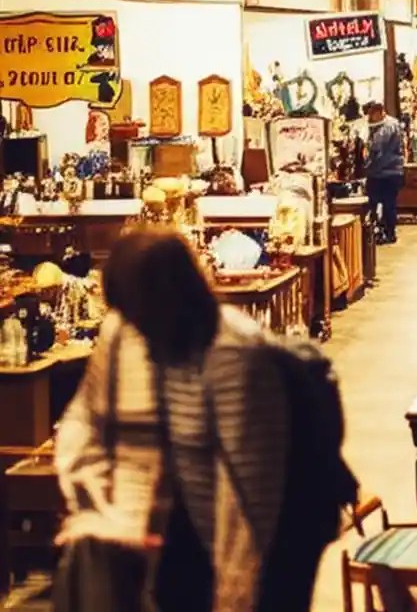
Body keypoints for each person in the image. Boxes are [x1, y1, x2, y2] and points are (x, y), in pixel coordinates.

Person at [54, 229, 304, 611]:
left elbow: (252, 491)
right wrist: (97, 507)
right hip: (144, 538)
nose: (134, 326)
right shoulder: (125, 331)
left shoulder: (234, 354)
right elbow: (84, 421)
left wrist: (235, 590)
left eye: (138, 313)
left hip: (216, 546)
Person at [365, 101, 405, 244]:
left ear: (379, 113)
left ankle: (389, 233)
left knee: (387, 203)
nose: (370, 119)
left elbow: (376, 146)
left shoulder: (388, 126)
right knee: (383, 203)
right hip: (384, 171)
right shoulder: (387, 125)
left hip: (387, 171)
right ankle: (382, 231)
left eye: (371, 116)